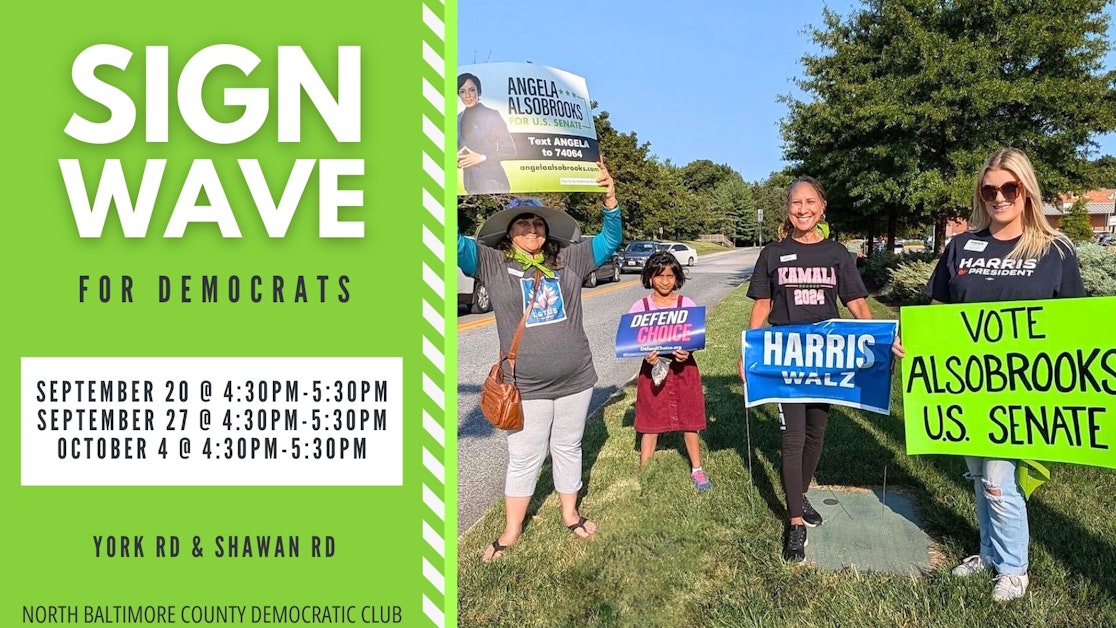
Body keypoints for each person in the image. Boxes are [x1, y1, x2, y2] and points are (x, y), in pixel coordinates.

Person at [927, 148, 1084, 602]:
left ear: (1026, 190)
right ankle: (989, 552)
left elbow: (1073, 324)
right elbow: (936, 312)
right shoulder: (961, 247)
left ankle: (1014, 568)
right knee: (979, 474)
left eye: (1009, 188)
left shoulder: (1055, 250)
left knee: (999, 478)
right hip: (966, 385)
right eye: (989, 189)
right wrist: (915, 343)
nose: (999, 197)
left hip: (1023, 388)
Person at [458, 160, 621, 562]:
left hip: (575, 378)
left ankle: (570, 514)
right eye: (522, 224)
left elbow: (610, 239)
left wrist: (610, 199)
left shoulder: (570, 260)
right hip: (524, 385)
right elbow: (450, 241)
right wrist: (449, 190)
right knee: (524, 456)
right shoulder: (492, 264)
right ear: (508, 232)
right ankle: (511, 530)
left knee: (568, 446)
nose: (532, 230)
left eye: (537, 224)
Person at [744, 176, 904, 563]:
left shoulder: (837, 254)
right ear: (788, 209)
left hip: (827, 358)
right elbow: (762, 304)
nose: (803, 209)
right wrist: (749, 351)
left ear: (822, 207)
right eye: (796, 203)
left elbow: (857, 302)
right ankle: (795, 522)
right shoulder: (773, 253)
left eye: (810, 202)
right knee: (793, 437)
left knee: (816, 433)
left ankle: (798, 495)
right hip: (786, 357)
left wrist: (880, 339)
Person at [628, 251, 710, 491]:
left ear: (677, 277)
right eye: (659, 275)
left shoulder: (687, 305)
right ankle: (645, 472)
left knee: (689, 419)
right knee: (650, 420)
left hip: (684, 371)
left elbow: (695, 337)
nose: (664, 281)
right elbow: (632, 339)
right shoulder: (640, 307)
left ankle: (697, 468)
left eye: (670, 276)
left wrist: (688, 351)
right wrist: (646, 354)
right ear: (649, 277)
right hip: (652, 371)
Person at [457, 72, 517, 194]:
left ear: (478, 91)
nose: (467, 95)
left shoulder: (492, 115)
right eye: (462, 91)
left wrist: (483, 157)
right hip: (470, 185)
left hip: (494, 183)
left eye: (471, 90)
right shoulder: (457, 119)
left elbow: (511, 150)